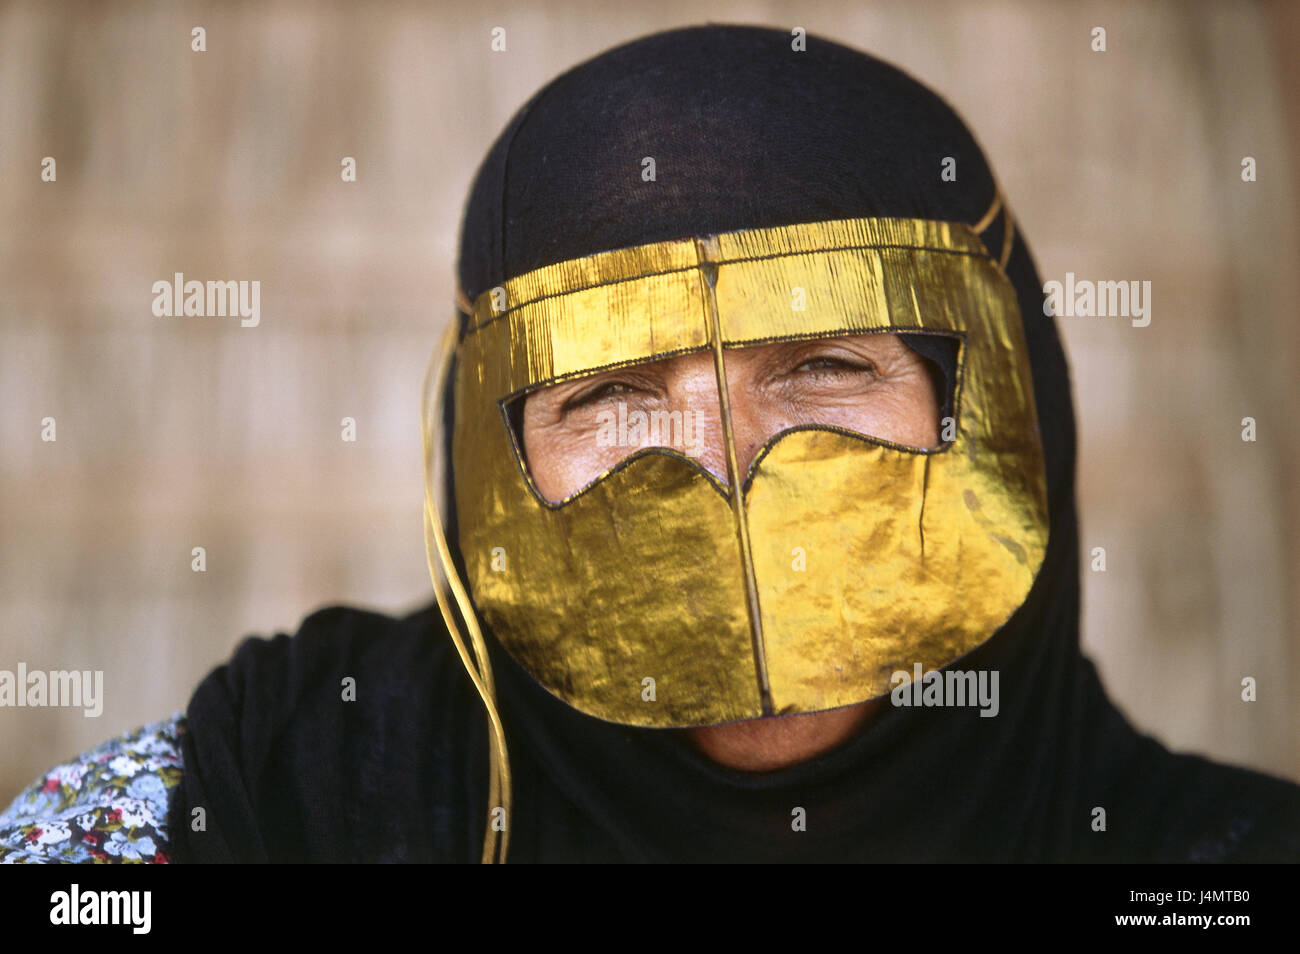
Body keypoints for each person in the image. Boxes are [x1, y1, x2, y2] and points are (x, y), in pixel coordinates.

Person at [3, 23, 1298, 864]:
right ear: (490, 451)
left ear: (1011, 406)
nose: (725, 470)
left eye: (828, 366)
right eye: (613, 393)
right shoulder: (277, 798)